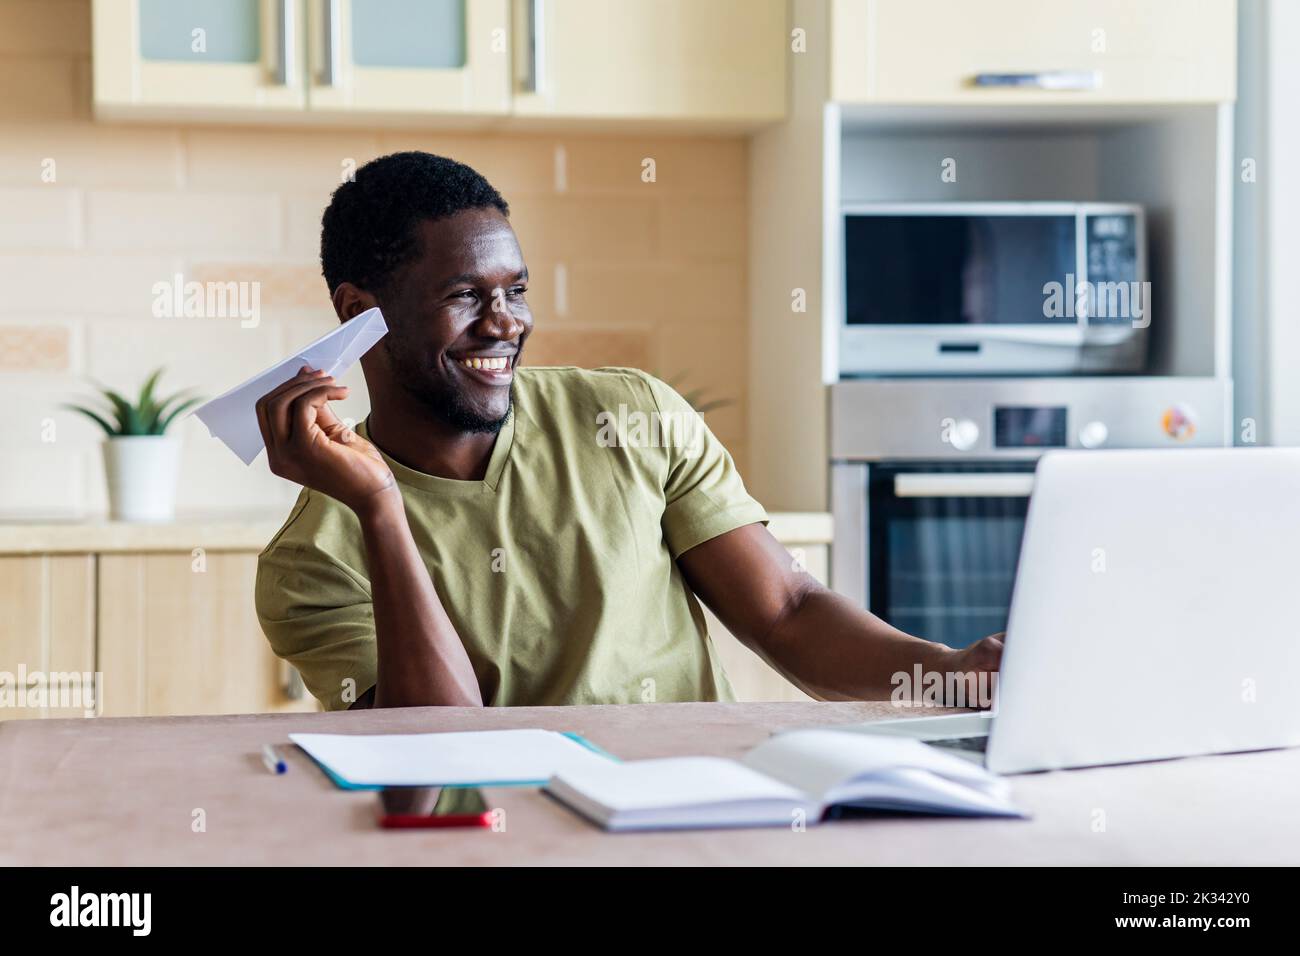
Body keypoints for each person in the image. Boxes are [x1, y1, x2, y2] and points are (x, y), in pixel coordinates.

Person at [254, 151, 1002, 711]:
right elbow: (435, 753)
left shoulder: (630, 418)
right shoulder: (312, 561)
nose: (506, 321)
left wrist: (948, 672)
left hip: (696, 822)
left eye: (515, 289)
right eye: (464, 295)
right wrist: (382, 510)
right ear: (359, 313)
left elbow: (788, 613)